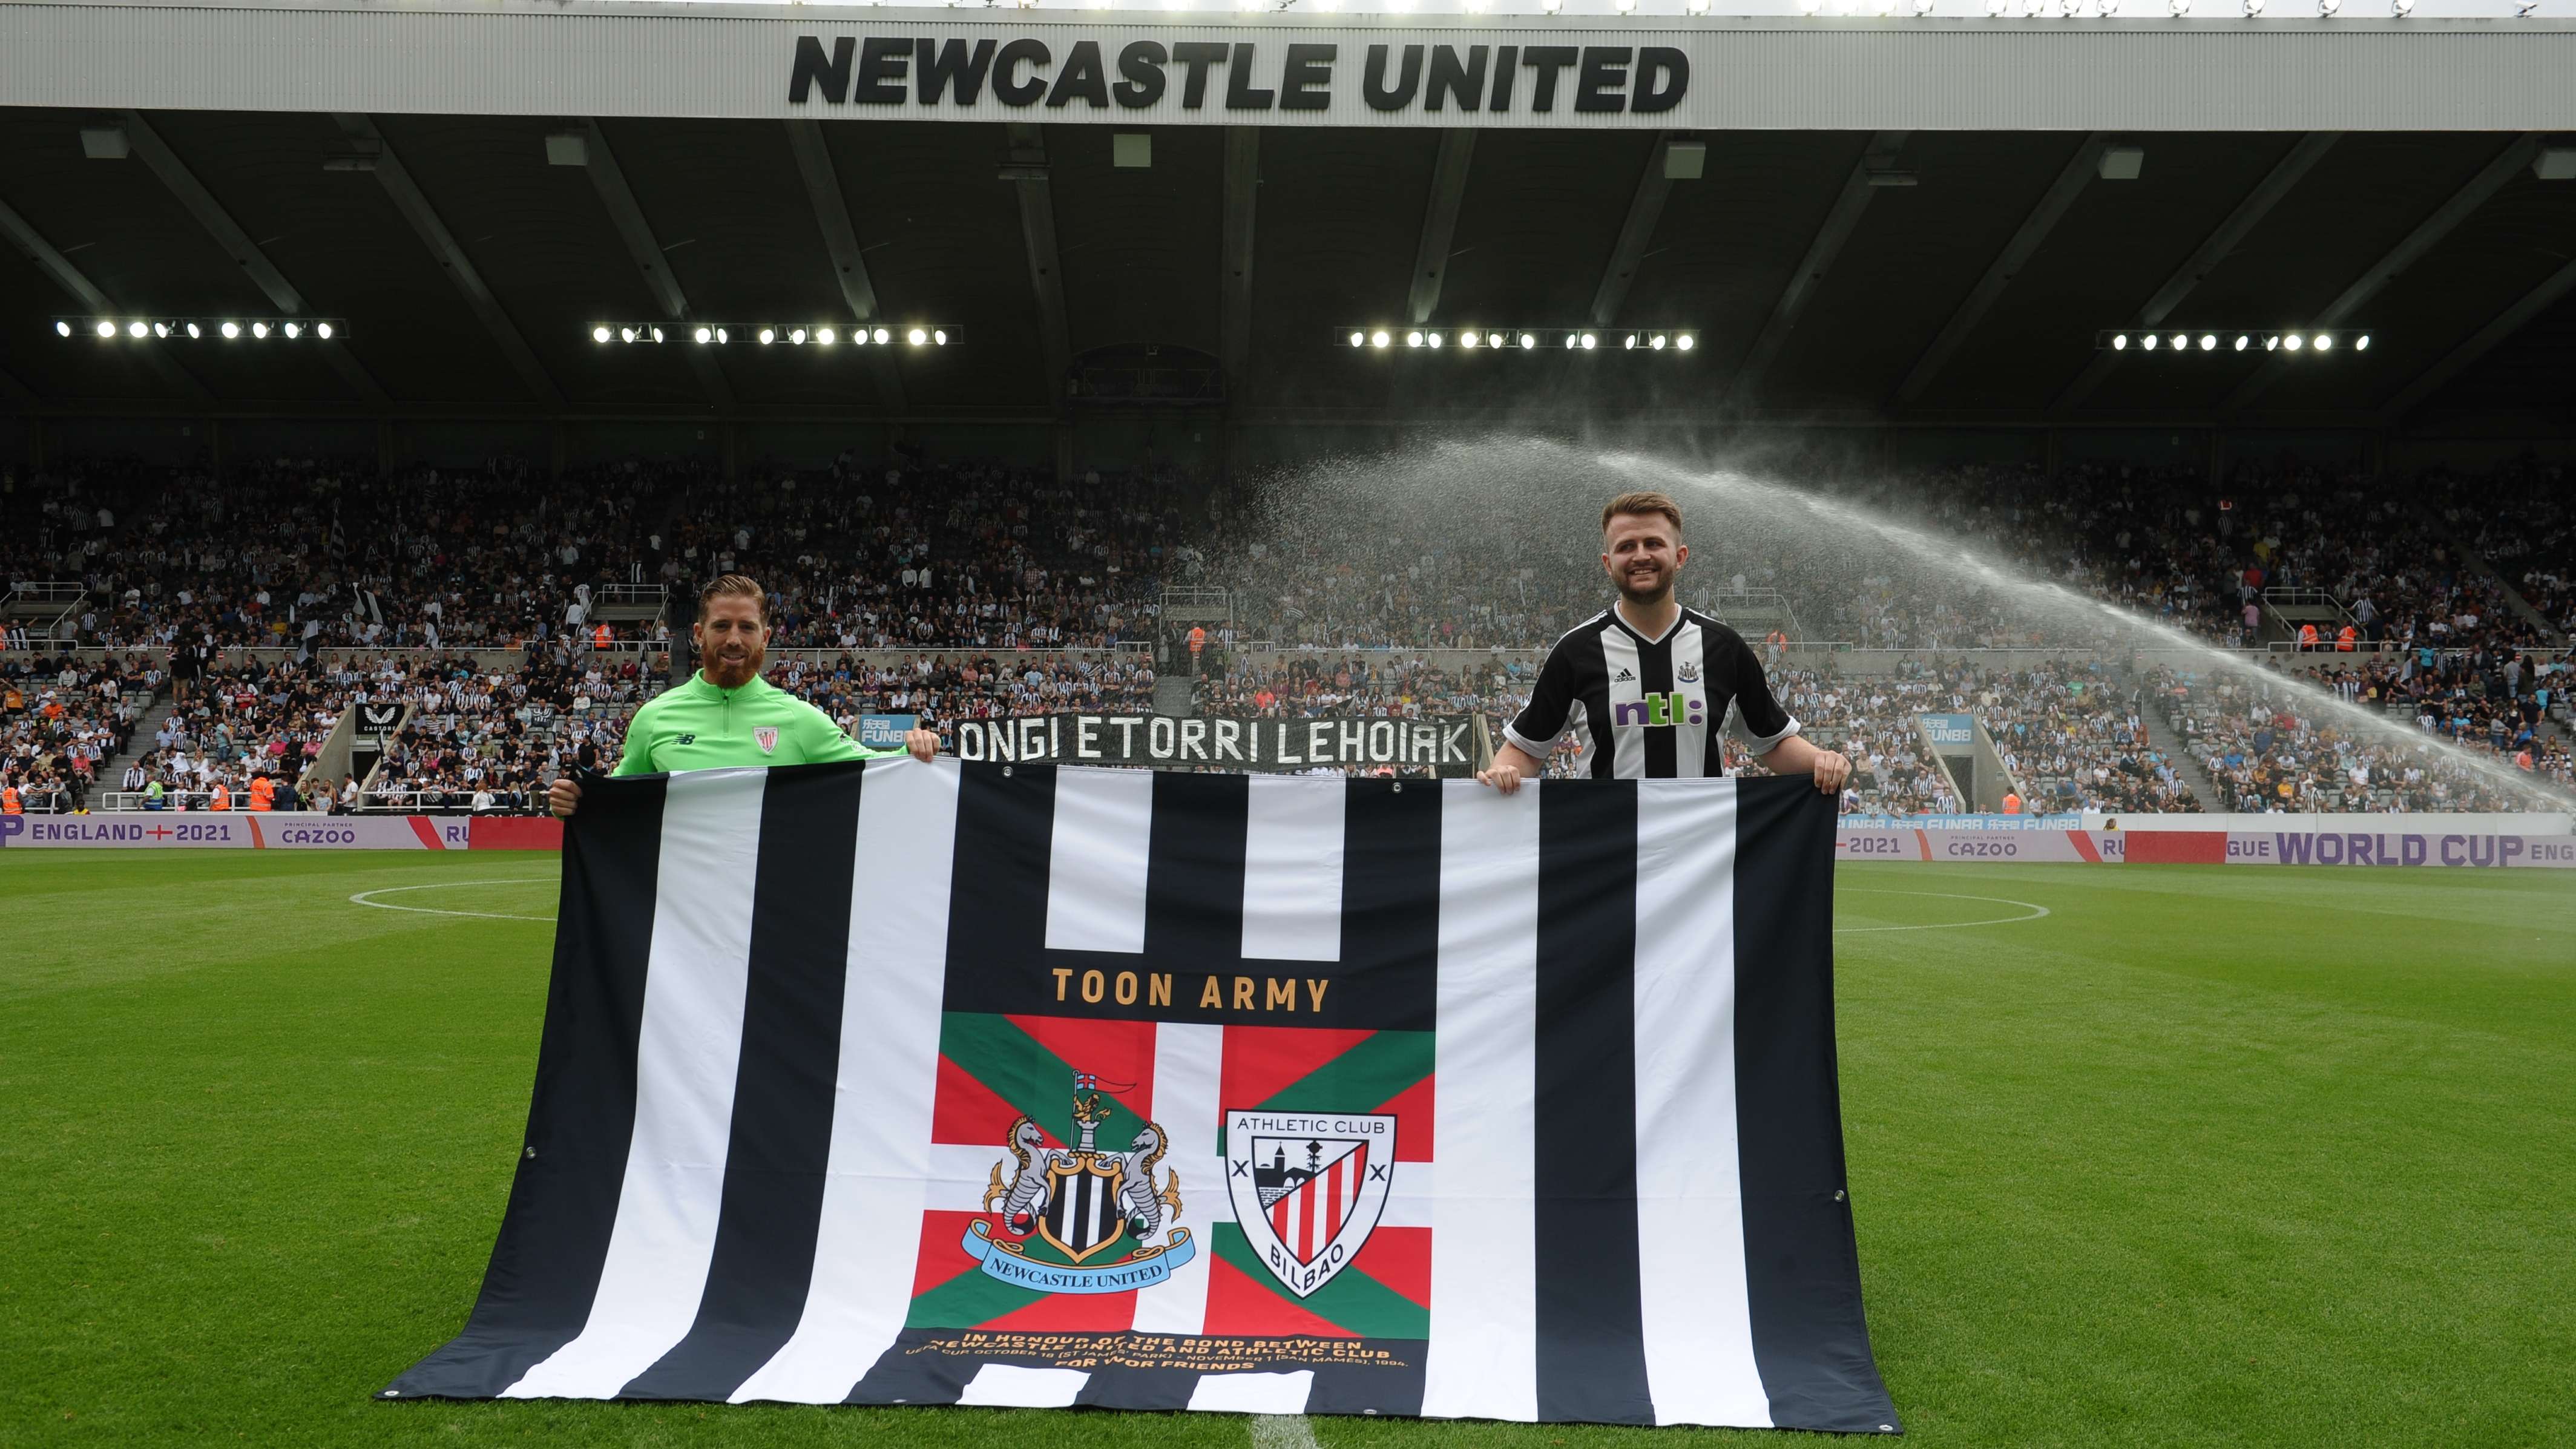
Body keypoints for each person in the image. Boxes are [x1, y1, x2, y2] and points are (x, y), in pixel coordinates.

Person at [1476, 491, 1851, 793]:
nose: (1640, 555)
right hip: (1607, 855)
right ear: (1608, 563)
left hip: (1700, 859)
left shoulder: (1723, 648)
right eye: (1626, 547)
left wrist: (1823, 760)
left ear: (1680, 556)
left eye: (1653, 543)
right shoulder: (1577, 651)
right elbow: (1526, 748)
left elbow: (1773, 743)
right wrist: (1502, 771)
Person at [550, 574, 939, 819]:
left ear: (765, 637)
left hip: (769, 916)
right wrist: (577, 800)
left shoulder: (799, 719)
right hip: (683, 921)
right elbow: (617, 799)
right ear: (699, 634)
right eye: (722, 626)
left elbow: (877, 771)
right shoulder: (654, 717)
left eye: (747, 627)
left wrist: (915, 747)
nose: (734, 639)